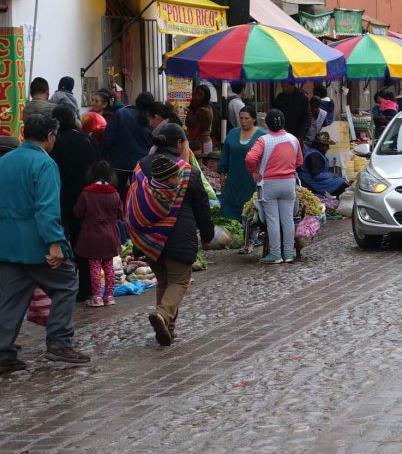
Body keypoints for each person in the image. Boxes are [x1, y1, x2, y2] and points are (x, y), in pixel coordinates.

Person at [0, 112, 91, 372]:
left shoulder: (5, 161)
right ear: (50, 137)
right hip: (36, 242)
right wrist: (54, 243)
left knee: (11, 298)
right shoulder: (44, 163)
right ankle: (59, 342)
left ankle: (3, 351)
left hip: (7, 242)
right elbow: (47, 207)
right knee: (66, 283)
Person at [127, 129, 215, 346]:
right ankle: (163, 315)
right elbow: (201, 207)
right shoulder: (187, 171)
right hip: (179, 235)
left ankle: (168, 330)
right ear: (178, 143)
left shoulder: (140, 166)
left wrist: (137, 241)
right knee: (179, 281)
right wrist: (207, 235)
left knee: (164, 282)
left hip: (150, 238)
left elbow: (132, 200)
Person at [49, 103, 99, 300]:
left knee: (60, 241)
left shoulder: (57, 143)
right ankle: (86, 288)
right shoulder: (87, 140)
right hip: (87, 198)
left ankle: (60, 286)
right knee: (83, 243)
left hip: (63, 198)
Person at [245, 109, 304, 264]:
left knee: (272, 220)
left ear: (267, 124)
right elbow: (299, 162)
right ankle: (289, 253)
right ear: (283, 122)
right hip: (289, 183)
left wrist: (255, 172)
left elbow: (250, 158)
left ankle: (276, 254)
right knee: (288, 220)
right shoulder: (293, 139)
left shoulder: (264, 140)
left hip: (269, 184)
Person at [73, 160, 122, 307]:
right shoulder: (114, 192)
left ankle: (96, 296)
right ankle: (109, 295)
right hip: (110, 235)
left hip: (92, 235)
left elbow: (78, 212)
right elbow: (120, 213)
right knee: (109, 266)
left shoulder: (87, 192)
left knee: (94, 266)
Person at [99, 91, 155, 197]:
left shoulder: (121, 113)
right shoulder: (150, 119)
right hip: (140, 165)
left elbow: (108, 138)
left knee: (116, 194)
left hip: (118, 163)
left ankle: (118, 213)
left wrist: (101, 155)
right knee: (138, 196)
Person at [219, 106, 266, 223]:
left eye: (247, 118)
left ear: (254, 119)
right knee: (230, 204)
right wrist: (222, 171)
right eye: (241, 118)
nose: (243, 121)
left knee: (249, 206)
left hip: (251, 178)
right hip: (233, 176)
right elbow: (225, 153)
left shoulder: (262, 135)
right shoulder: (232, 133)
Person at [299, 131, 349, 199]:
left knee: (342, 180)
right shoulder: (314, 156)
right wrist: (331, 175)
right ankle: (335, 197)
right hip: (311, 182)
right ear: (320, 145)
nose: (328, 148)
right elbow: (317, 176)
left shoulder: (317, 153)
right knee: (342, 183)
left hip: (317, 179)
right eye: (327, 145)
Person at [186, 85, 214, 156]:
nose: (197, 97)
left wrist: (190, 109)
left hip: (202, 142)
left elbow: (190, 122)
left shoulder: (203, 110)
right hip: (199, 142)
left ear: (206, 97)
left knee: (201, 165)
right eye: (196, 93)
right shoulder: (203, 108)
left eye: (201, 94)